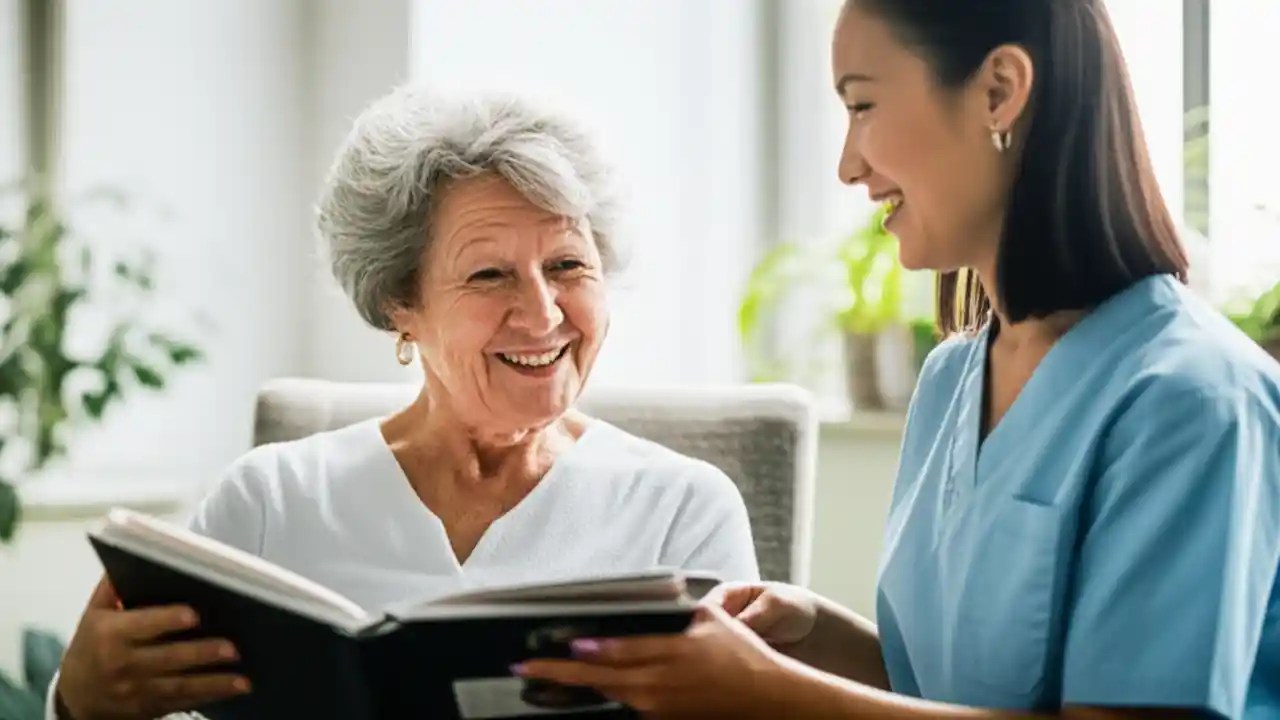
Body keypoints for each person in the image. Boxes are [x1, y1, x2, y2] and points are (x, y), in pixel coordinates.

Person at [516, 0, 1280, 717]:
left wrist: (771, 695)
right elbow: (947, 692)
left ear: (998, 91)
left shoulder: (1195, 401)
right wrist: (815, 637)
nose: (849, 164)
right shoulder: (953, 380)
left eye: (862, 105)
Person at [49, 88, 759, 720]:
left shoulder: (683, 510)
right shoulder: (270, 500)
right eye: (489, 274)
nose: (543, 313)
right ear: (400, 306)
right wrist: (79, 704)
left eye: (568, 264)